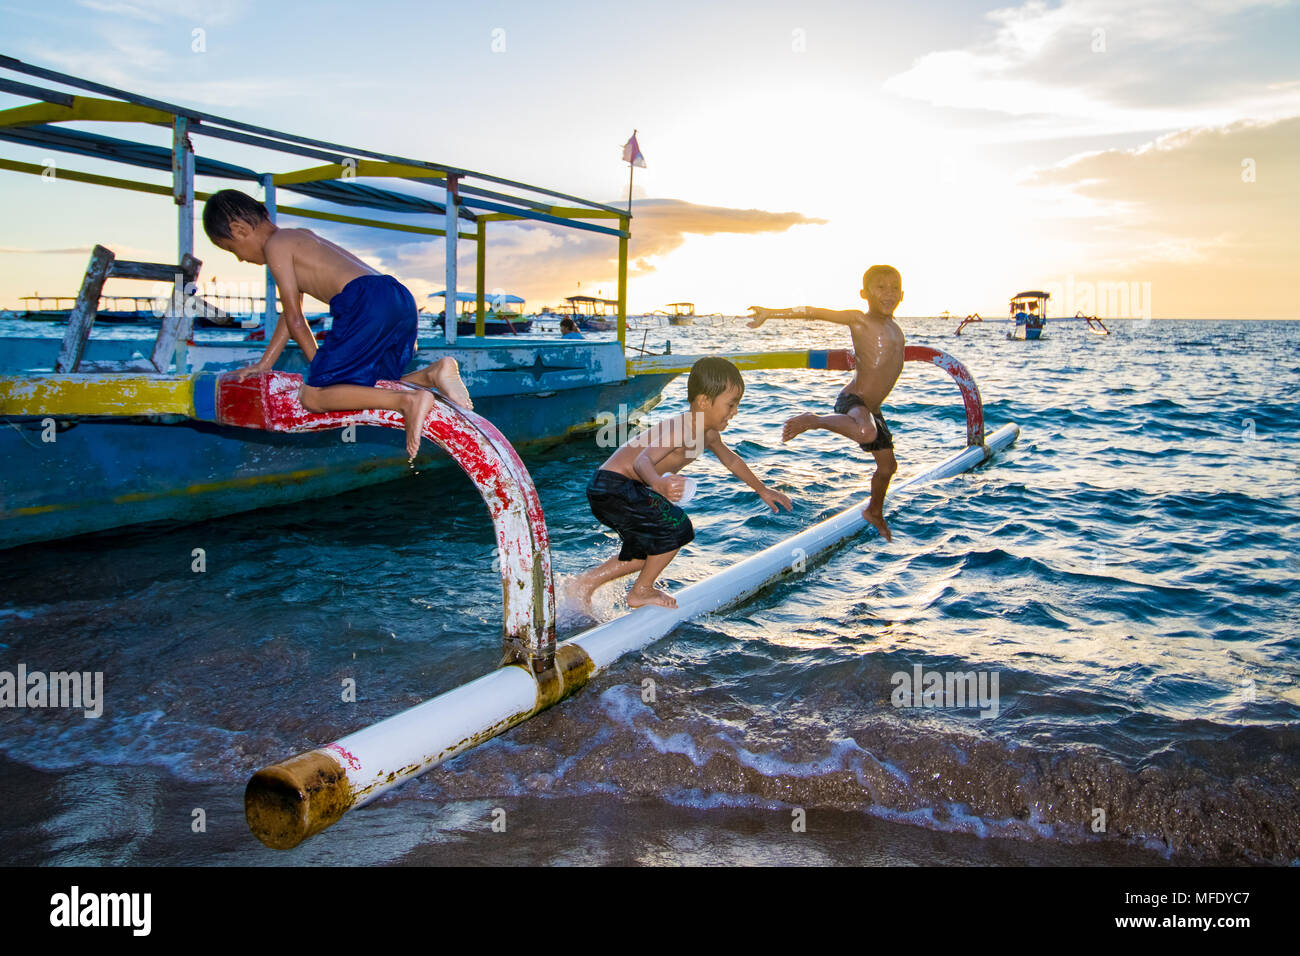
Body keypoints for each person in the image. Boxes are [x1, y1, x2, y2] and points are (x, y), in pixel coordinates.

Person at [202, 189, 472, 459]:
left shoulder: (275, 246)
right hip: (398, 297)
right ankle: (432, 374)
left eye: (230, 249)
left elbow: (297, 320)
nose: (239, 258)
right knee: (367, 388)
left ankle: (410, 401)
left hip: (366, 301)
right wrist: (265, 363)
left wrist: (320, 376)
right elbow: (289, 315)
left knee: (314, 397)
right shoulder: (298, 236)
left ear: (239, 230)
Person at [568, 357, 792, 611]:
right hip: (615, 485)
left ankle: (583, 585)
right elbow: (643, 461)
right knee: (676, 528)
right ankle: (640, 591)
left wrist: (761, 489)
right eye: (731, 404)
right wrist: (658, 484)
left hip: (617, 488)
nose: (735, 411)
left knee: (649, 549)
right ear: (704, 401)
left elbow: (732, 460)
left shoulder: (707, 434)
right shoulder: (685, 427)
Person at [748, 264, 905, 541]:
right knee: (866, 432)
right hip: (853, 401)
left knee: (887, 467)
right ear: (864, 293)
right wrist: (771, 313)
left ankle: (874, 511)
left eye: (894, 288)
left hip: (872, 409)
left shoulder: (894, 327)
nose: (888, 293)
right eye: (881, 287)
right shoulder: (859, 320)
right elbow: (812, 311)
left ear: (902, 294)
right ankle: (813, 420)